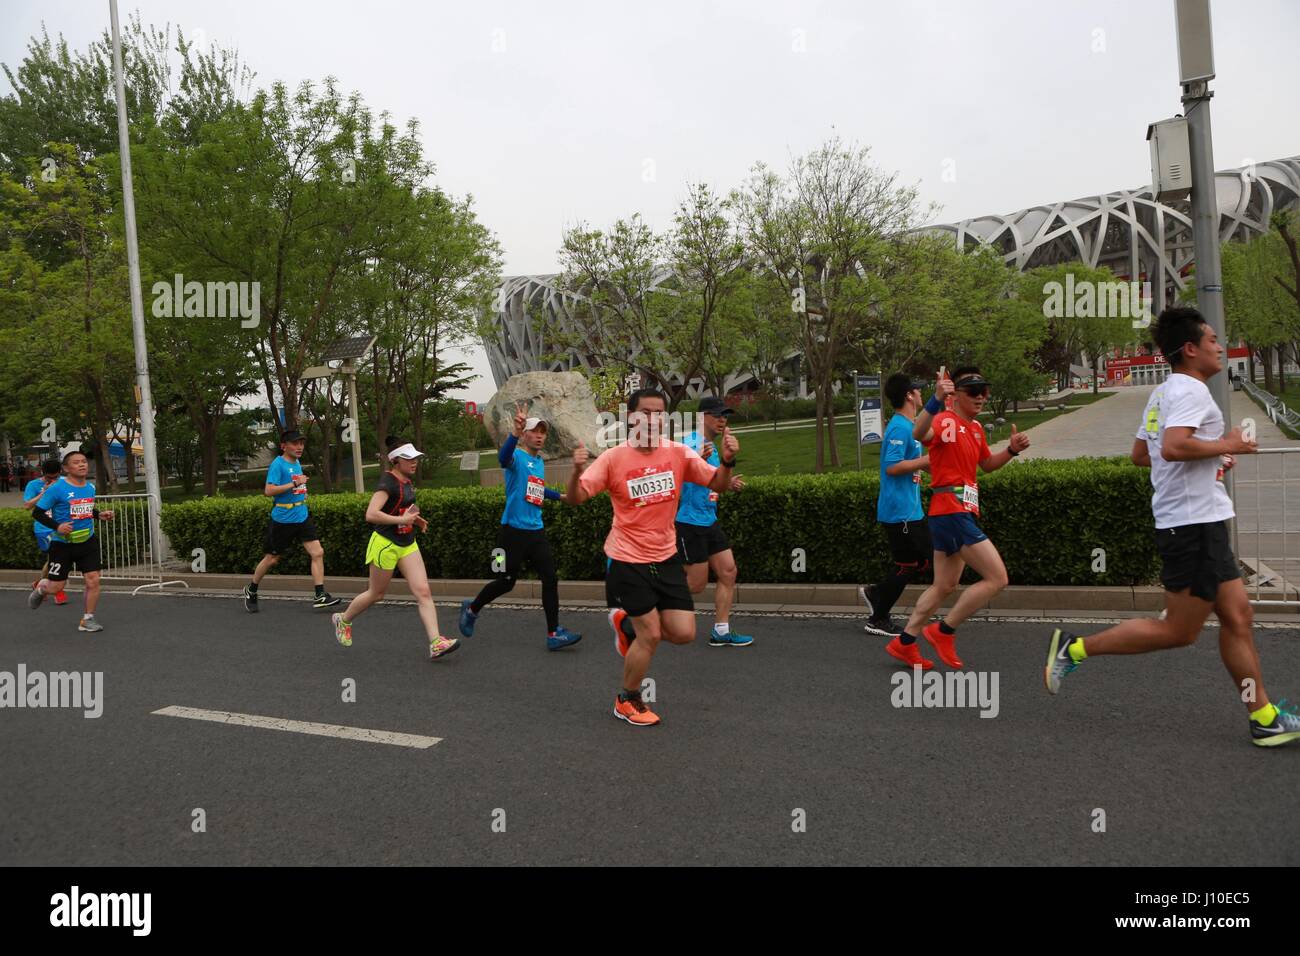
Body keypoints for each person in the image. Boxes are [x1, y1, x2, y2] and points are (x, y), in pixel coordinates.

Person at [1045, 306, 1300, 746]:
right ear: (1190, 349)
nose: (1220, 347)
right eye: (1213, 340)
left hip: (1200, 522)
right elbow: (1174, 446)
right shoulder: (1191, 392)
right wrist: (1227, 443)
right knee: (1178, 632)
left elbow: (1143, 455)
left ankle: (1263, 717)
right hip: (1192, 525)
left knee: (1238, 615)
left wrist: (1211, 459)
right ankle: (1076, 648)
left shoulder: (1163, 393)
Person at [567, 387, 740, 727]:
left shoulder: (678, 453)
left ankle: (625, 624)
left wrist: (728, 461)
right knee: (651, 635)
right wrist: (575, 472)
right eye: (645, 412)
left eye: (659, 413)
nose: (652, 419)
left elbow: (717, 484)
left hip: (666, 557)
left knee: (684, 632)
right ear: (630, 417)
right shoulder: (613, 458)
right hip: (627, 559)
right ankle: (627, 699)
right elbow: (577, 498)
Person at [888, 367, 1030, 669]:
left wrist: (1011, 450)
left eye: (984, 391)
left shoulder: (975, 428)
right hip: (952, 510)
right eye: (974, 391)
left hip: (955, 511)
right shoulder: (946, 421)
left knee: (944, 586)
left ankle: (905, 643)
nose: (981, 397)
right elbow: (919, 433)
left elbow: (987, 465)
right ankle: (944, 631)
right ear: (957, 394)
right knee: (997, 578)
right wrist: (936, 399)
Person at [459, 402, 581, 651]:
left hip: (536, 531)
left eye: (542, 432)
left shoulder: (539, 462)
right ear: (525, 435)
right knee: (505, 581)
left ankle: (553, 633)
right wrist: (514, 432)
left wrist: (561, 497)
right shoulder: (516, 457)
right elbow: (502, 458)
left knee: (550, 578)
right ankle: (472, 609)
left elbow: (536, 489)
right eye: (534, 431)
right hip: (511, 532)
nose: (539, 436)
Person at [332, 440, 459, 660]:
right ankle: (343, 619)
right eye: (408, 458)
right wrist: (402, 520)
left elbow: (401, 508)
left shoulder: (407, 480)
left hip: (408, 543)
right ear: (395, 460)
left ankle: (436, 643)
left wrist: (415, 520)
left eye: (415, 458)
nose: (414, 462)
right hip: (385, 545)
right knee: (376, 594)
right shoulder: (387, 483)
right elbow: (371, 514)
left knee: (423, 591)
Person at [675, 396, 752, 647]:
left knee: (728, 571)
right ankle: (646, 599)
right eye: (717, 415)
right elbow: (675, 475)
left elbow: (713, 481)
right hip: (689, 523)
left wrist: (728, 483)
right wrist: (695, 459)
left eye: (725, 415)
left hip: (709, 520)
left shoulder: (715, 448)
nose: (722, 420)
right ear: (702, 417)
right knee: (696, 585)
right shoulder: (689, 444)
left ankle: (721, 630)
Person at [860, 374, 931, 640]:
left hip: (911, 510)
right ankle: (878, 617)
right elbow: (892, 466)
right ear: (909, 395)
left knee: (922, 561)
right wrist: (925, 462)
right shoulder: (900, 428)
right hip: (899, 512)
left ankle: (876, 593)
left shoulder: (910, 425)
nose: (921, 393)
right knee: (908, 565)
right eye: (918, 390)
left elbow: (915, 459)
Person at [243, 429, 340, 612]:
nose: (299, 447)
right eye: (295, 443)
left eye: (301, 443)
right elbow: (268, 491)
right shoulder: (277, 465)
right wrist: (294, 484)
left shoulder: (297, 463)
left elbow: (297, 485)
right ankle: (251, 589)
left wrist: (301, 490)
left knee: (317, 552)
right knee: (272, 559)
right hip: (283, 519)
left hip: (301, 515)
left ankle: (320, 595)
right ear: (284, 446)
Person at [28, 450, 114, 631]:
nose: (82, 464)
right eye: (76, 462)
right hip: (62, 544)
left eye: (84, 461)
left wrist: (99, 515)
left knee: (93, 580)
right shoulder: (56, 488)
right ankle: (42, 588)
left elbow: (84, 509)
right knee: (56, 587)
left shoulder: (90, 487)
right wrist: (57, 526)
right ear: (66, 468)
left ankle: (88, 619)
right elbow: (37, 513)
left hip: (87, 541)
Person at [23, 458, 69, 606]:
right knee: (55, 557)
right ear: (43, 473)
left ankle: (40, 584)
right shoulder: (33, 485)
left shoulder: (64, 482)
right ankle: (58, 589)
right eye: (50, 477)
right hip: (43, 528)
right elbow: (27, 505)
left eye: (56, 477)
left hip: (61, 525)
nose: (53, 480)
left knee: (57, 558)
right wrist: (44, 493)